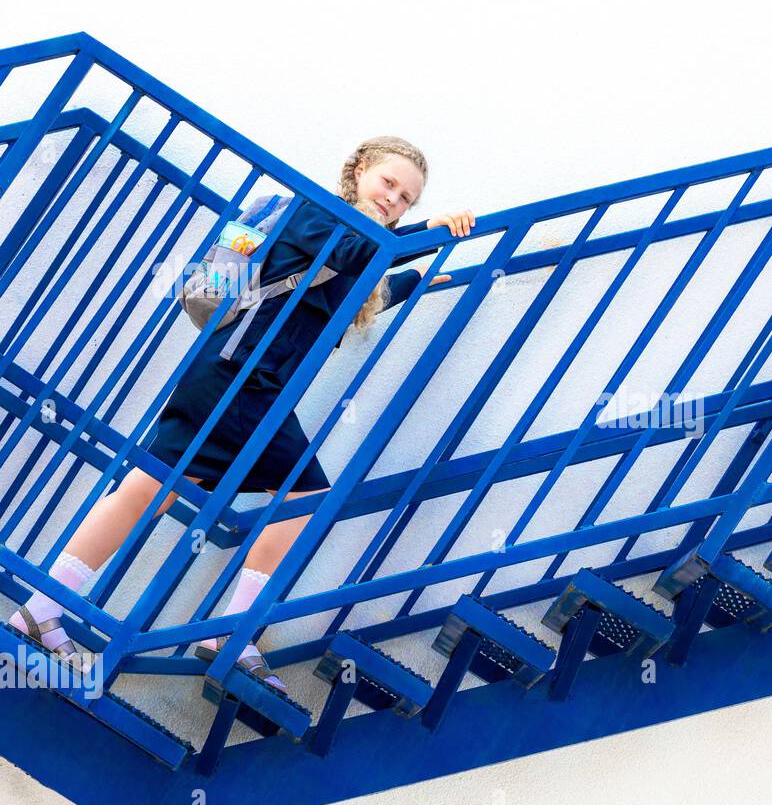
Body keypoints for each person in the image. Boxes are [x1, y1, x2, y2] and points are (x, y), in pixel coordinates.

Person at [6, 135, 476, 694]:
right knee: (169, 490)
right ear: (359, 173)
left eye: (406, 200)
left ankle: (69, 611)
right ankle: (211, 632)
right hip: (234, 379)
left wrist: (411, 283)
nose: (394, 201)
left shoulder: (351, 237)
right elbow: (359, 256)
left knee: (172, 492)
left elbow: (339, 295)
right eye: (388, 184)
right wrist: (434, 234)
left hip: (257, 388)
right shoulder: (318, 213)